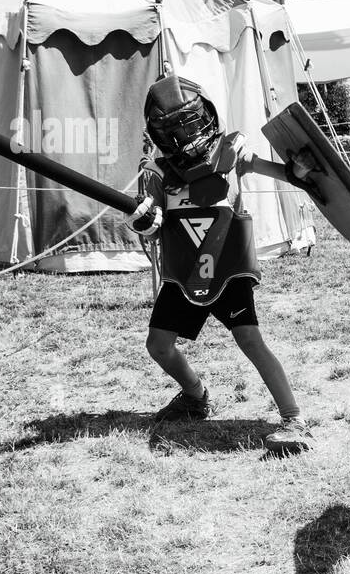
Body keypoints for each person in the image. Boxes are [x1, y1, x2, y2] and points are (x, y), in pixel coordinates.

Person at [129, 74, 314, 453]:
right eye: (172, 130)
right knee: (159, 345)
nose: (183, 137)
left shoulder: (233, 154)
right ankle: (196, 397)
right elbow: (151, 223)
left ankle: (295, 419)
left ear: (206, 115)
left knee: (250, 339)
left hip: (227, 269)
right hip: (184, 273)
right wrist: (144, 222)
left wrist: (299, 171)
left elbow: (283, 174)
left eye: (188, 123)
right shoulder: (157, 172)